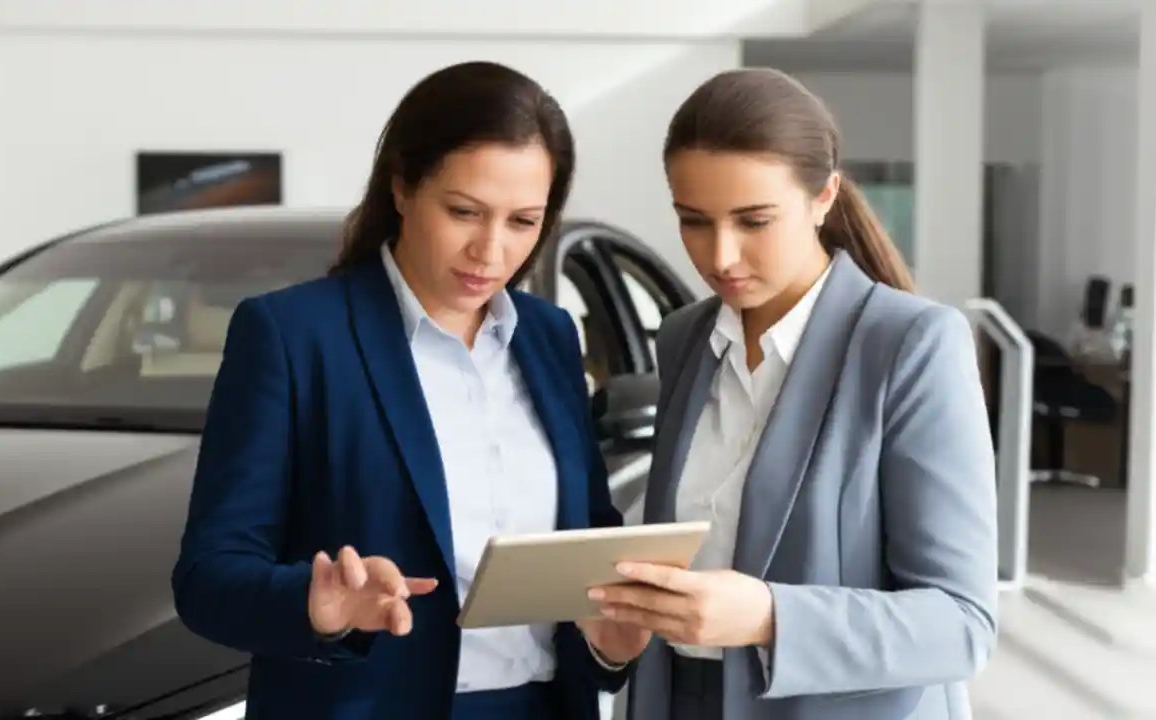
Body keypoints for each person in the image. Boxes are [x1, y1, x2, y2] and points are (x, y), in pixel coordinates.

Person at [171, 61, 649, 720]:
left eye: (523, 221)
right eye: (463, 212)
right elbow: (208, 579)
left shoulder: (550, 337)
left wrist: (612, 646)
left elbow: (590, 541)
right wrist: (318, 606)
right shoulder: (292, 335)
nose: (490, 249)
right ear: (401, 186)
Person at [588, 68, 998, 720]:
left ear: (823, 196)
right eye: (694, 221)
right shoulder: (685, 339)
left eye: (754, 221)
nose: (721, 256)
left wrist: (772, 616)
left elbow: (962, 622)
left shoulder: (910, 345)